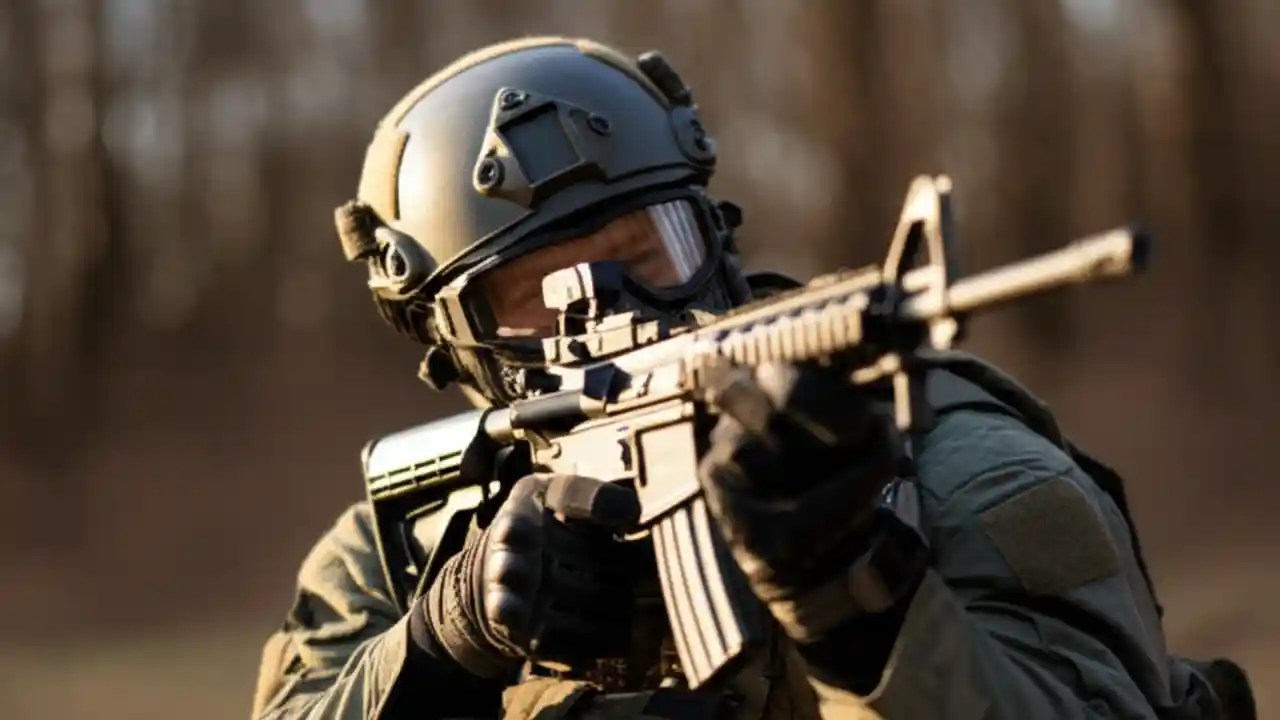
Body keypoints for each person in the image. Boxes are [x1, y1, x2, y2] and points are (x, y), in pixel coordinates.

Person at [251, 37, 1253, 719]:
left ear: (716, 241)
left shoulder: (954, 459)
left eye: (646, 251)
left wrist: (856, 602)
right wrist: (440, 646)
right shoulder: (405, 547)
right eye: (531, 296)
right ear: (452, 350)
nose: (608, 310)